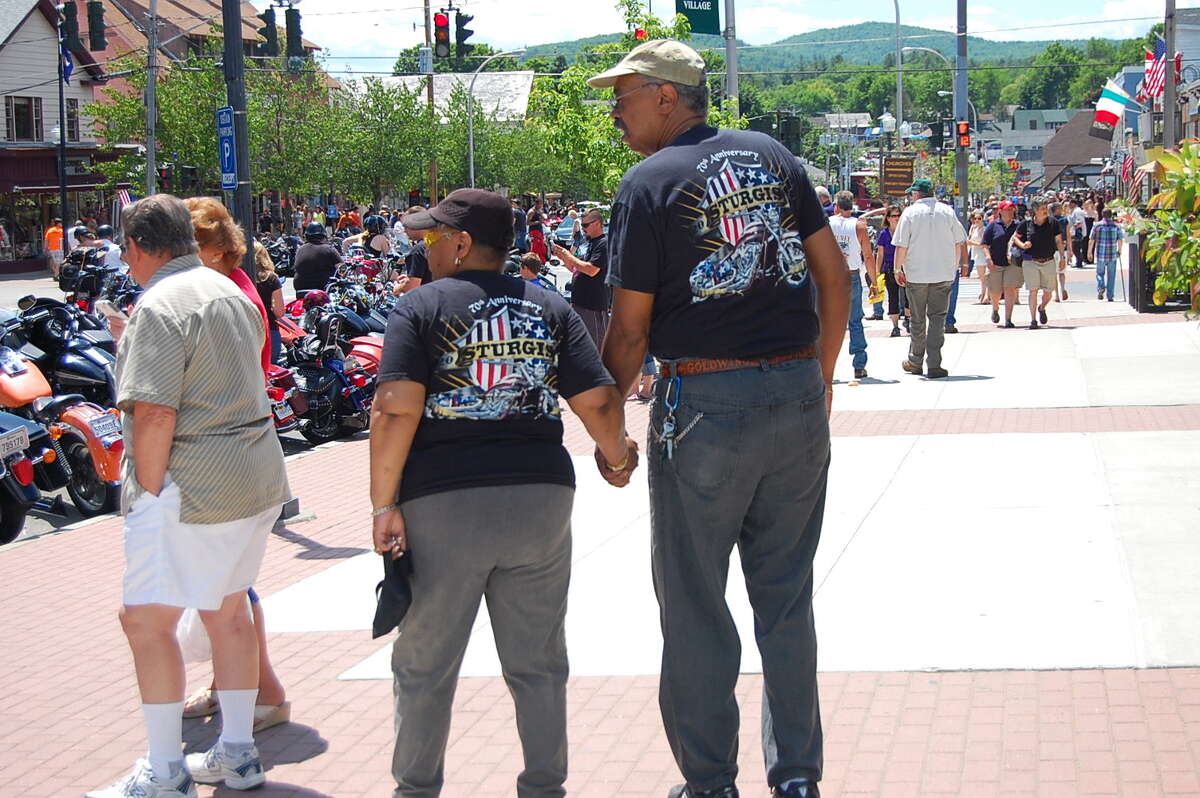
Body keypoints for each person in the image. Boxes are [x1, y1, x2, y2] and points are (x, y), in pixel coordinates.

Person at [590, 38, 847, 798]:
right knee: (787, 597)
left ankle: (711, 783)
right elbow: (833, 275)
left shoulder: (647, 184)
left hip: (704, 408)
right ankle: (797, 777)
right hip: (794, 395)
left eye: (626, 93)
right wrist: (820, 380)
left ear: (668, 96)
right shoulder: (774, 156)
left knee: (696, 605)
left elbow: (631, 329)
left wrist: (608, 431)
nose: (615, 108)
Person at [370, 188, 636, 798]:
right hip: (539, 499)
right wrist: (618, 458)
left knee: (426, 664)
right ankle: (545, 787)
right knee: (539, 662)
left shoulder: (420, 309)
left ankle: (415, 789)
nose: (426, 249)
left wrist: (383, 504)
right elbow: (595, 399)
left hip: (443, 504)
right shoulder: (550, 307)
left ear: (462, 244)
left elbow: (393, 409)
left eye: (433, 238)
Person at [87, 194, 290, 798]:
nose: (125, 263)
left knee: (145, 620)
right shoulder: (229, 288)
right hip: (254, 475)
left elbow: (151, 414)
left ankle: (166, 768)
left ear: (144, 247)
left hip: (192, 483)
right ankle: (237, 752)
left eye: (126, 250)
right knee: (229, 612)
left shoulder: (158, 305)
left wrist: (147, 494)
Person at [893, 179, 966, 379]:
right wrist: (954, 268)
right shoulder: (947, 211)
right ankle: (934, 363)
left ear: (917, 194)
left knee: (917, 319)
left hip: (917, 274)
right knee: (937, 319)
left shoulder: (910, 213)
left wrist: (897, 269)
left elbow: (901, 245)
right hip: (943, 273)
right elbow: (958, 243)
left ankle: (915, 361)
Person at [828, 190, 875, 379]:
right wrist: (873, 280)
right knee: (855, 321)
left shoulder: (827, 224)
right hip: (852, 275)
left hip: (830, 276)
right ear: (852, 205)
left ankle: (826, 365)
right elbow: (868, 256)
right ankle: (859, 364)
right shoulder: (860, 226)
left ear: (836, 206)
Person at [552, 207, 609, 348]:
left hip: (592, 305)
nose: (583, 228)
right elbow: (576, 268)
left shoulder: (603, 243)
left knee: (595, 347)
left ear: (597, 223)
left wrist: (569, 256)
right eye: (582, 225)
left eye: (585, 225)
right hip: (579, 303)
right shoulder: (588, 243)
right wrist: (564, 258)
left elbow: (591, 270)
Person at [1010, 198, 1064, 330]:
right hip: (1030, 261)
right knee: (1032, 291)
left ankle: (1042, 307)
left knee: (1049, 292)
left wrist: (1062, 258)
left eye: (1045, 208)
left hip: (1049, 260)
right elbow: (1015, 237)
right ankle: (1033, 320)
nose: (1045, 211)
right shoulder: (1026, 224)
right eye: (1041, 209)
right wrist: (1023, 245)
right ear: (1035, 211)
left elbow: (1058, 241)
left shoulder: (1053, 223)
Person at [981, 201, 1022, 329]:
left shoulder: (1018, 225)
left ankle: (1008, 319)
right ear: (1000, 211)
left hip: (1012, 263)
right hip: (996, 263)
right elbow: (985, 244)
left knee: (1010, 289)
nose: (1009, 212)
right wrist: (988, 258)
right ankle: (995, 308)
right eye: (1006, 209)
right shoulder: (993, 226)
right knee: (995, 291)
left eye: (1011, 209)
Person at [876, 204, 909, 337]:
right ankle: (895, 326)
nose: (896, 218)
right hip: (890, 268)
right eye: (893, 215)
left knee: (908, 297)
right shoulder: (884, 234)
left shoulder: (905, 230)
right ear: (888, 218)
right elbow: (880, 254)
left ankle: (908, 320)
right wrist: (877, 271)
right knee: (893, 297)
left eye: (898, 215)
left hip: (905, 267)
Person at [254, 241, 286, 364]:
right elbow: (278, 311)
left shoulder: (242, 276)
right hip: (269, 330)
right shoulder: (271, 278)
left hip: (247, 331)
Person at [293, 221, 343, 292]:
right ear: (323, 236)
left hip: (300, 288)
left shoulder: (300, 249)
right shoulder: (329, 249)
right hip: (323, 289)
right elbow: (342, 268)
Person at [1089, 208, 1124, 302]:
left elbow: (1091, 240)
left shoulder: (1097, 226)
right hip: (1112, 254)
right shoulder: (1116, 226)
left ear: (1102, 214)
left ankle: (1101, 287)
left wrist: (1089, 252)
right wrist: (1119, 250)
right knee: (1111, 275)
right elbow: (1120, 239)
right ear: (1111, 215)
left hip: (1100, 254)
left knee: (1100, 273)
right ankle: (1110, 296)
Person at [396, 207, 432, 295]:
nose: (405, 230)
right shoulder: (439, 243)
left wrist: (397, 288)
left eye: (406, 226)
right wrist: (411, 276)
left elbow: (412, 286)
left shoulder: (418, 250)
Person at [967, 211, 988, 304]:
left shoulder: (984, 229)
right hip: (976, 253)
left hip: (982, 254)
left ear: (983, 219)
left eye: (979, 218)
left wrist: (972, 243)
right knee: (982, 278)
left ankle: (985, 296)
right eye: (975, 218)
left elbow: (984, 244)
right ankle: (984, 296)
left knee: (984, 277)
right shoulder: (973, 228)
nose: (977, 220)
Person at [1067, 198, 1087, 268]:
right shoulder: (1073, 211)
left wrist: (1072, 227)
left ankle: (1080, 262)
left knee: (1076, 248)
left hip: (1078, 233)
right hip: (1074, 232)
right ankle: (1078, 261)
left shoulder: (1077, 211)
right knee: (1075, 248)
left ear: (1073, 204)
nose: (1068, 205)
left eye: (1070, 203)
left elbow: (1079, 222)